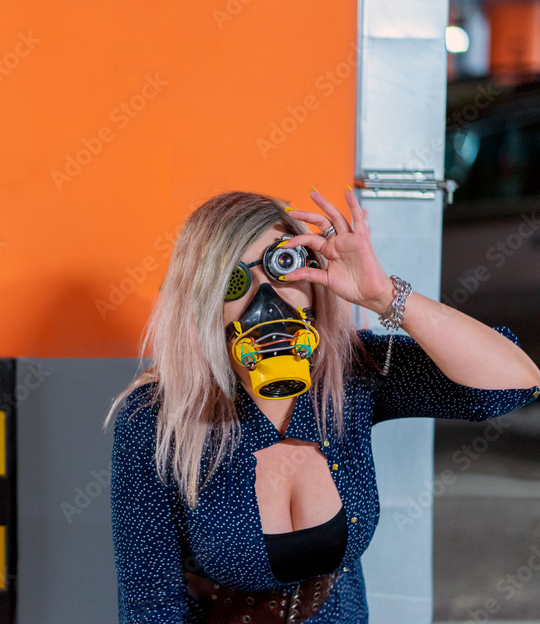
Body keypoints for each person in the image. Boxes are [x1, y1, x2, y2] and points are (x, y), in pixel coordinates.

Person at [103, 189, 540, 623]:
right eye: (235, 281)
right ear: (203, 299)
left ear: (312, 279)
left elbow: (512, 385)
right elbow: (150, 605)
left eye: (283, 264)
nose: (267, 298)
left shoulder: (350, 375)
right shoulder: (157, 421)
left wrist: (384, 296)